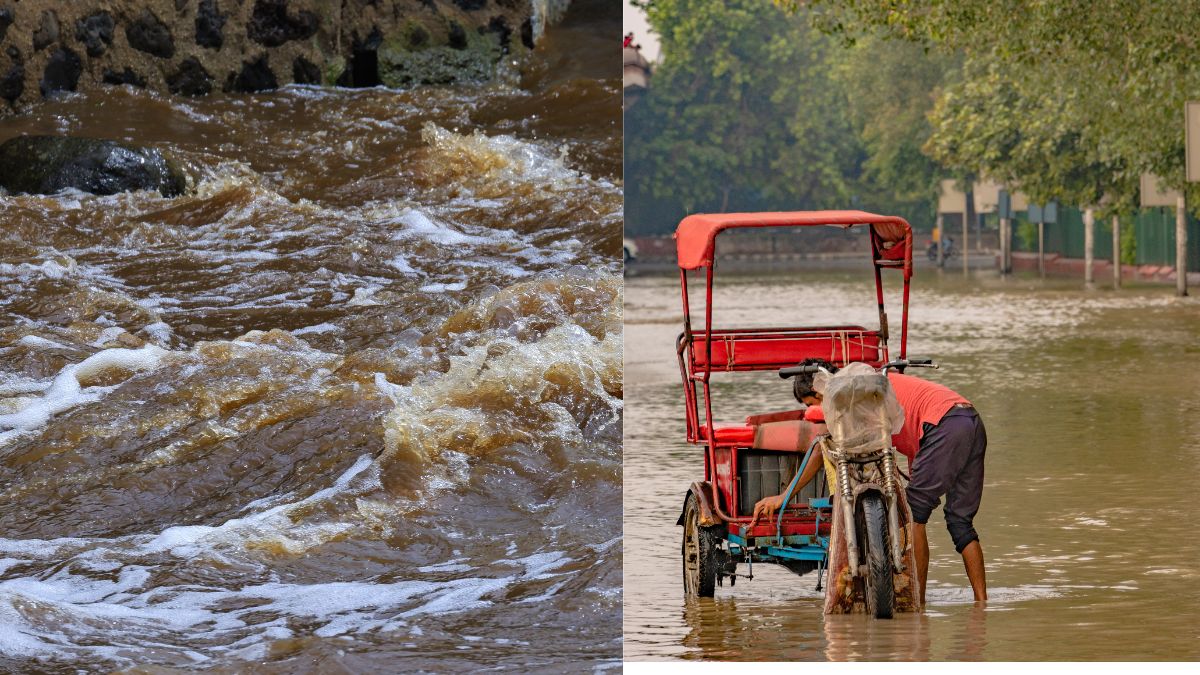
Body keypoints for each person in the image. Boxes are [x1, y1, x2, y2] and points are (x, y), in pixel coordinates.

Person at [751, 357, 988, 605]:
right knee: (960, 523)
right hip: (969, 419)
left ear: (820, 389)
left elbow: (822, 447)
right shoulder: (868, 381)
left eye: (817, 404)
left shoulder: (853, 392)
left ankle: (918, 603)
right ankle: (982, 604)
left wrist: (784, 496)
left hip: (943, 426)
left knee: (914, 513)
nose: (825, 412)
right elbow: (914, 438)